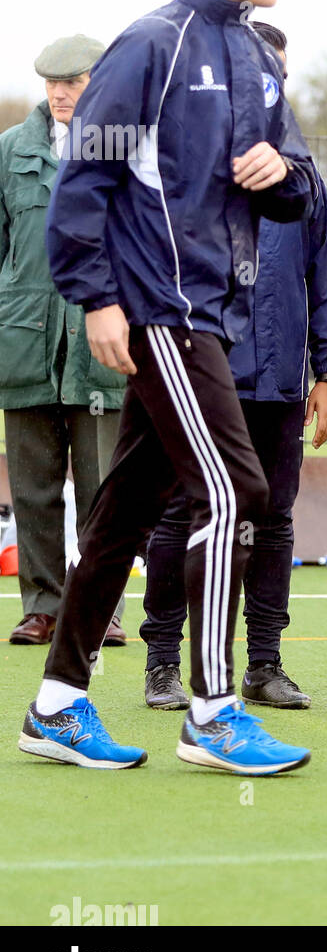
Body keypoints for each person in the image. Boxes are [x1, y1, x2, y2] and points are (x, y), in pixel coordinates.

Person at [17, 0, 316, 775]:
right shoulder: (151, 44)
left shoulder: (259, 58)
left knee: (123, 512)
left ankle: (57, 705)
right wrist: (96, 297)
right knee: (232, 492)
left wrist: (281, 171)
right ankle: (213, 717)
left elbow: (298, 189)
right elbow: (84, 185)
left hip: (212, 316)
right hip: (161, 312)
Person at [140, 22, 327, 712]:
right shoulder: (183, 167)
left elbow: (326, 280)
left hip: (280, 384)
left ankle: (264, 663)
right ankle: (163, 663)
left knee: (272, 518)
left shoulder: (303, 180)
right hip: (201, 376)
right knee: (180, 512)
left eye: (276, 82)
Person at [0, 35, 127, 648]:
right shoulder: (9, 154)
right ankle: (42, 606)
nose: (58, 93)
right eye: (51, 81)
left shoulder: (129, 153)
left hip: (103, 346)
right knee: (31, 488)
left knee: (105, 487)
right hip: (26, 347)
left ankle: (103, 607)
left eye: (72, 81)